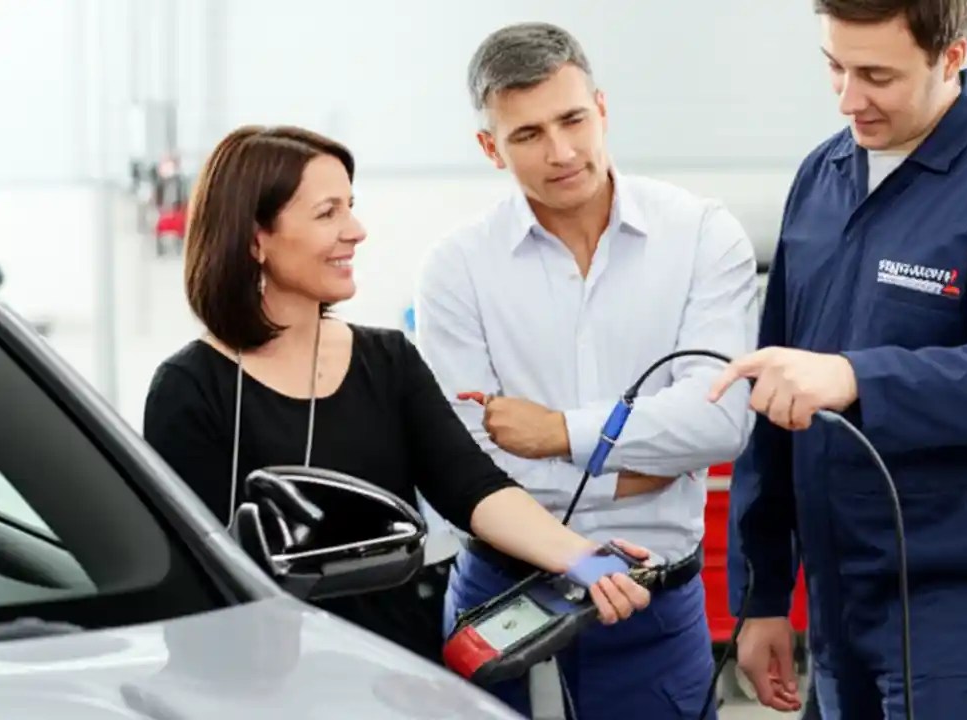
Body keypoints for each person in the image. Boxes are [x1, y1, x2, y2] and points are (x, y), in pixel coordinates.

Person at [706, 1, 967, 718]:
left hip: (959, 589)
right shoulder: (822, 177)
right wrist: (762, 593)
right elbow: (776, 393)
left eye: (877, 75)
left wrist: (856, 376)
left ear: (951, 56)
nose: (850, 98)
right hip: (836, 582)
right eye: (835, 67)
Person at [142, 125, 652, 665]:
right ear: (254, 239)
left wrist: (586, 560)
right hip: (269, 687)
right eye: (327, 213)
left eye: (351, 206)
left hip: (396, 674)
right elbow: (200, 579)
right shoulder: (190, 390)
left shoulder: (387, 360)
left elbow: (474, 489)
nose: (356, 230)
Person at [413, 22, 758, 719]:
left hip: (650, 609)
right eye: (527, 134)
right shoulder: (456, 270)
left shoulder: (700, 235)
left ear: (602, 109)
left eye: (572, 119)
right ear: (490, 147)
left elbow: (720, 423)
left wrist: (557, 434)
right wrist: (649, 465)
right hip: (501, 597)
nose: (561, 151)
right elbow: (464, 461)